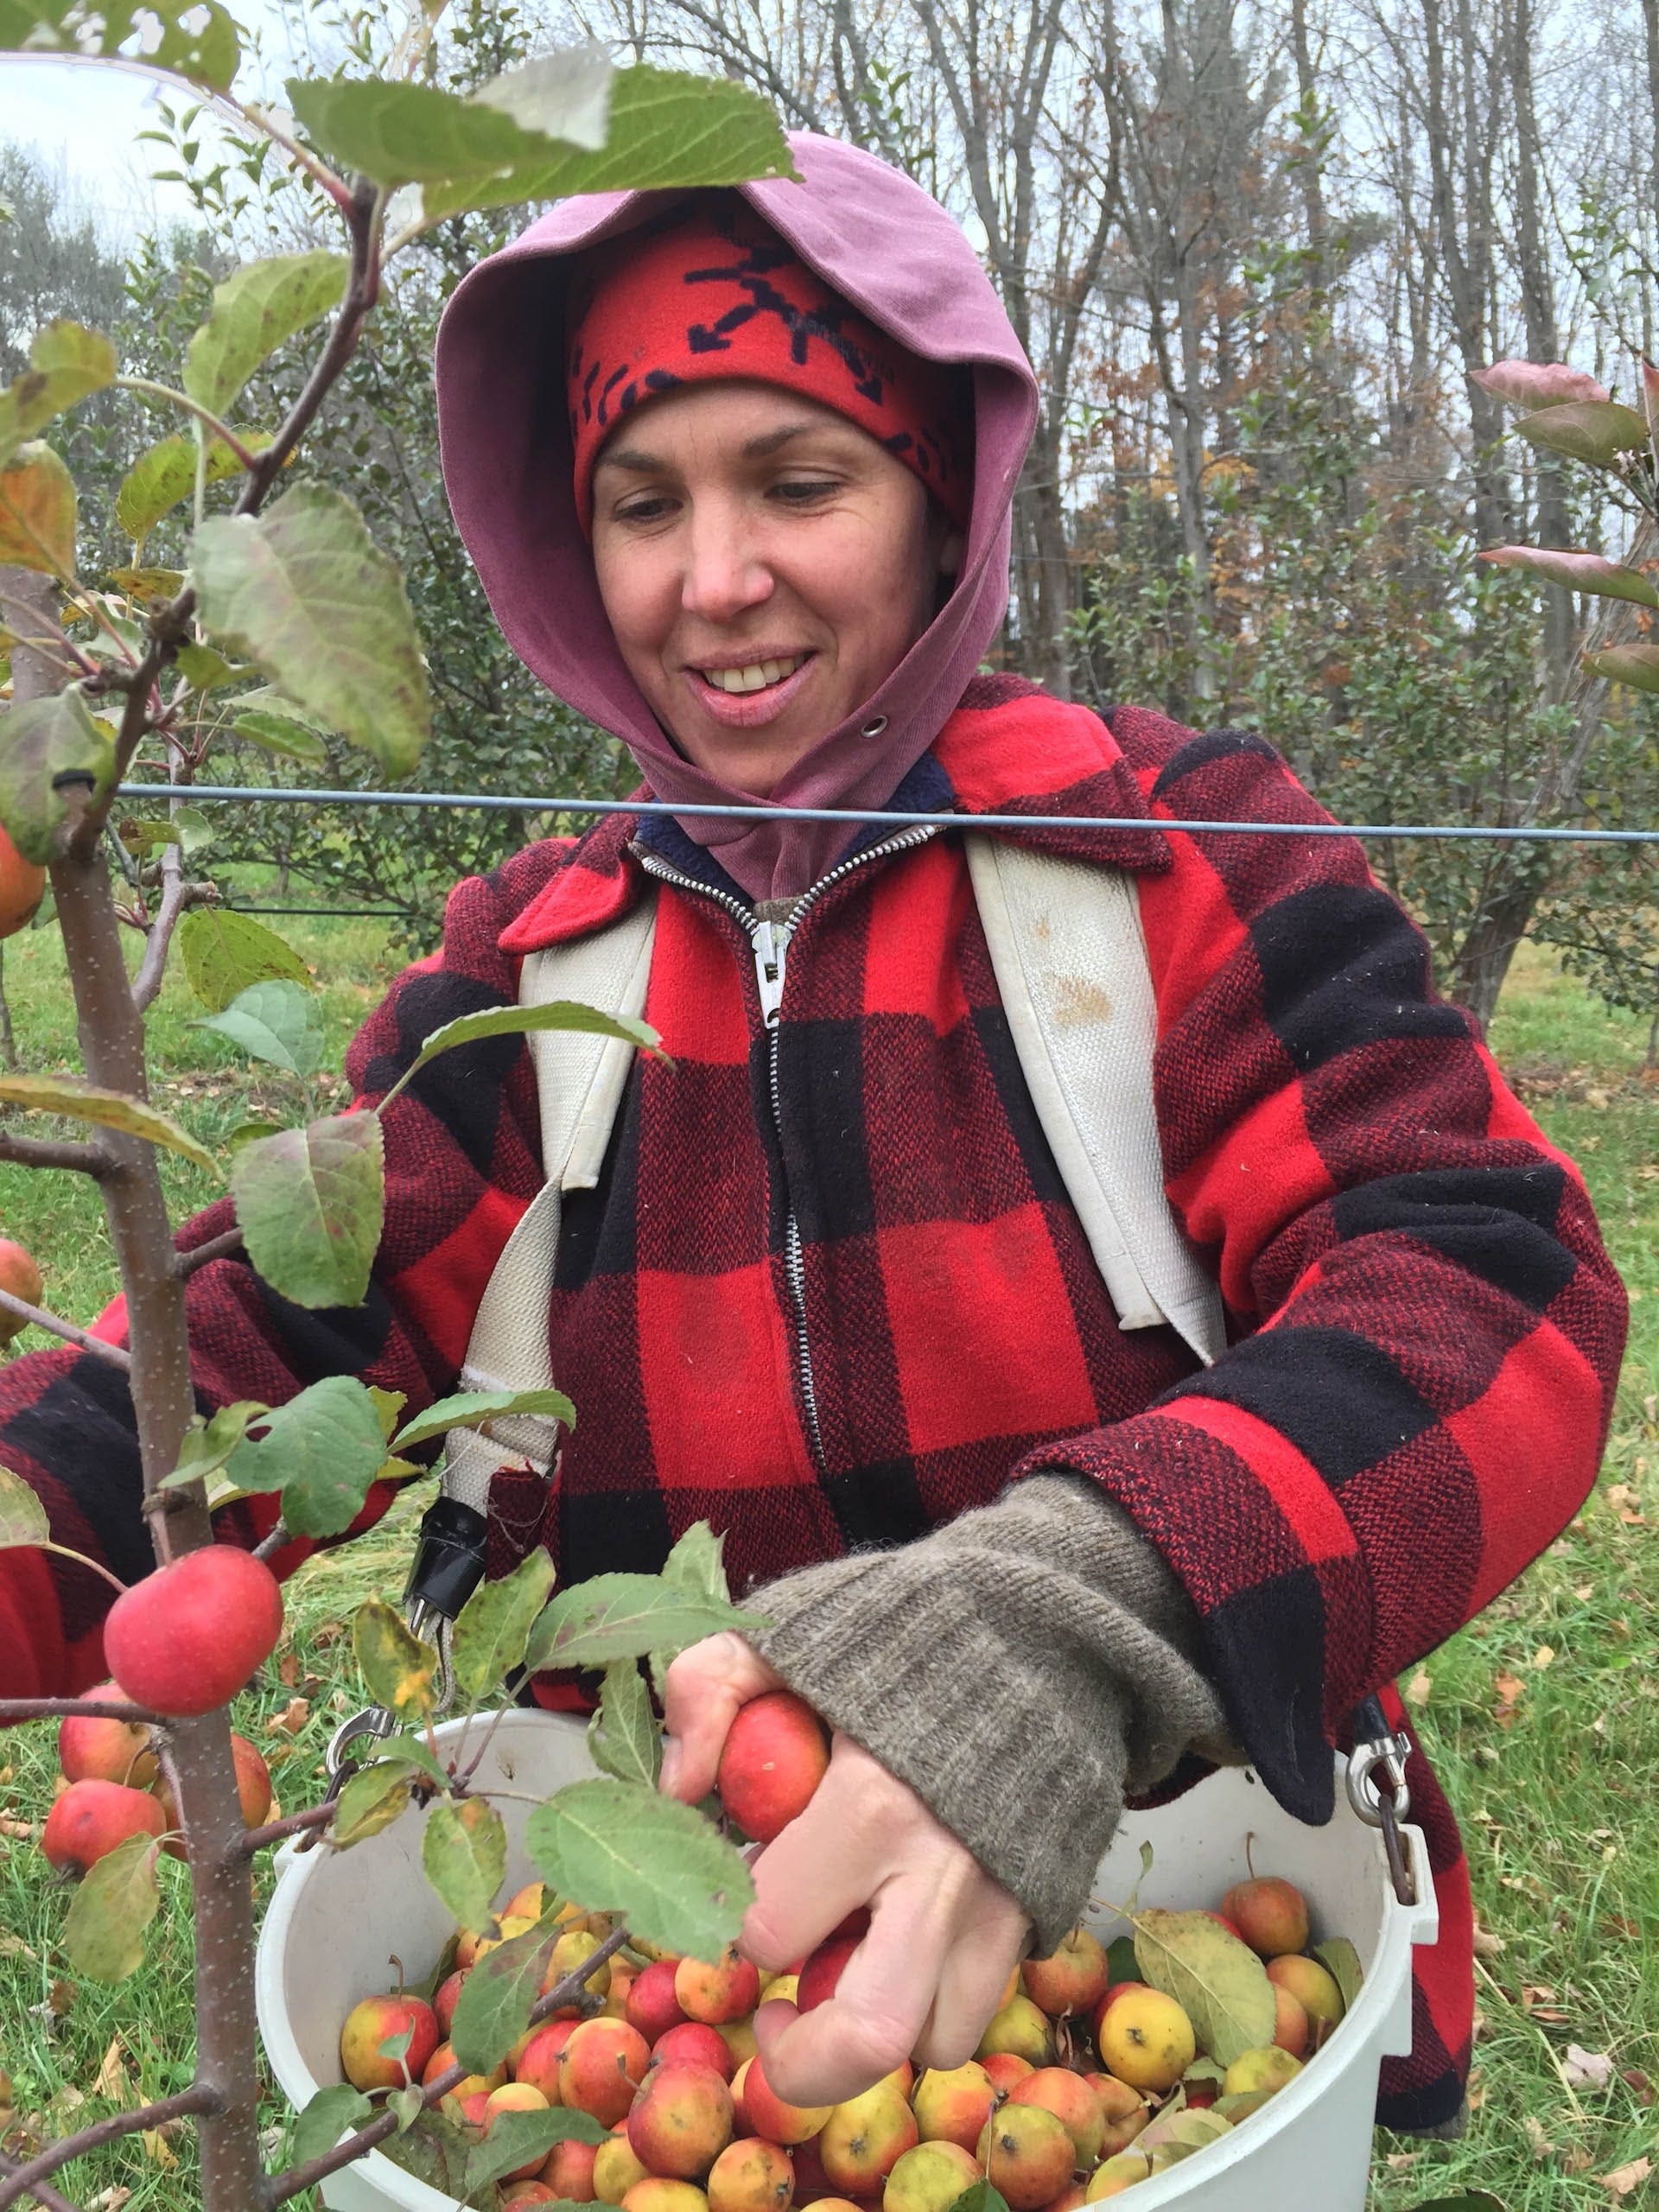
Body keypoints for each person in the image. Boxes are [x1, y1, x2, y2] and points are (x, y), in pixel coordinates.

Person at [0, 136, 1626, 2139]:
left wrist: (1076, 1613)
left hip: (1152, 1919)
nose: (715, 579)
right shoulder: (529, 966)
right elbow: (247, 1364)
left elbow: (1489, 1281)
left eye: (797, 480)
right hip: (660, 2005)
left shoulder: (1165, 852)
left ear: (941, 499)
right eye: (640, 503)